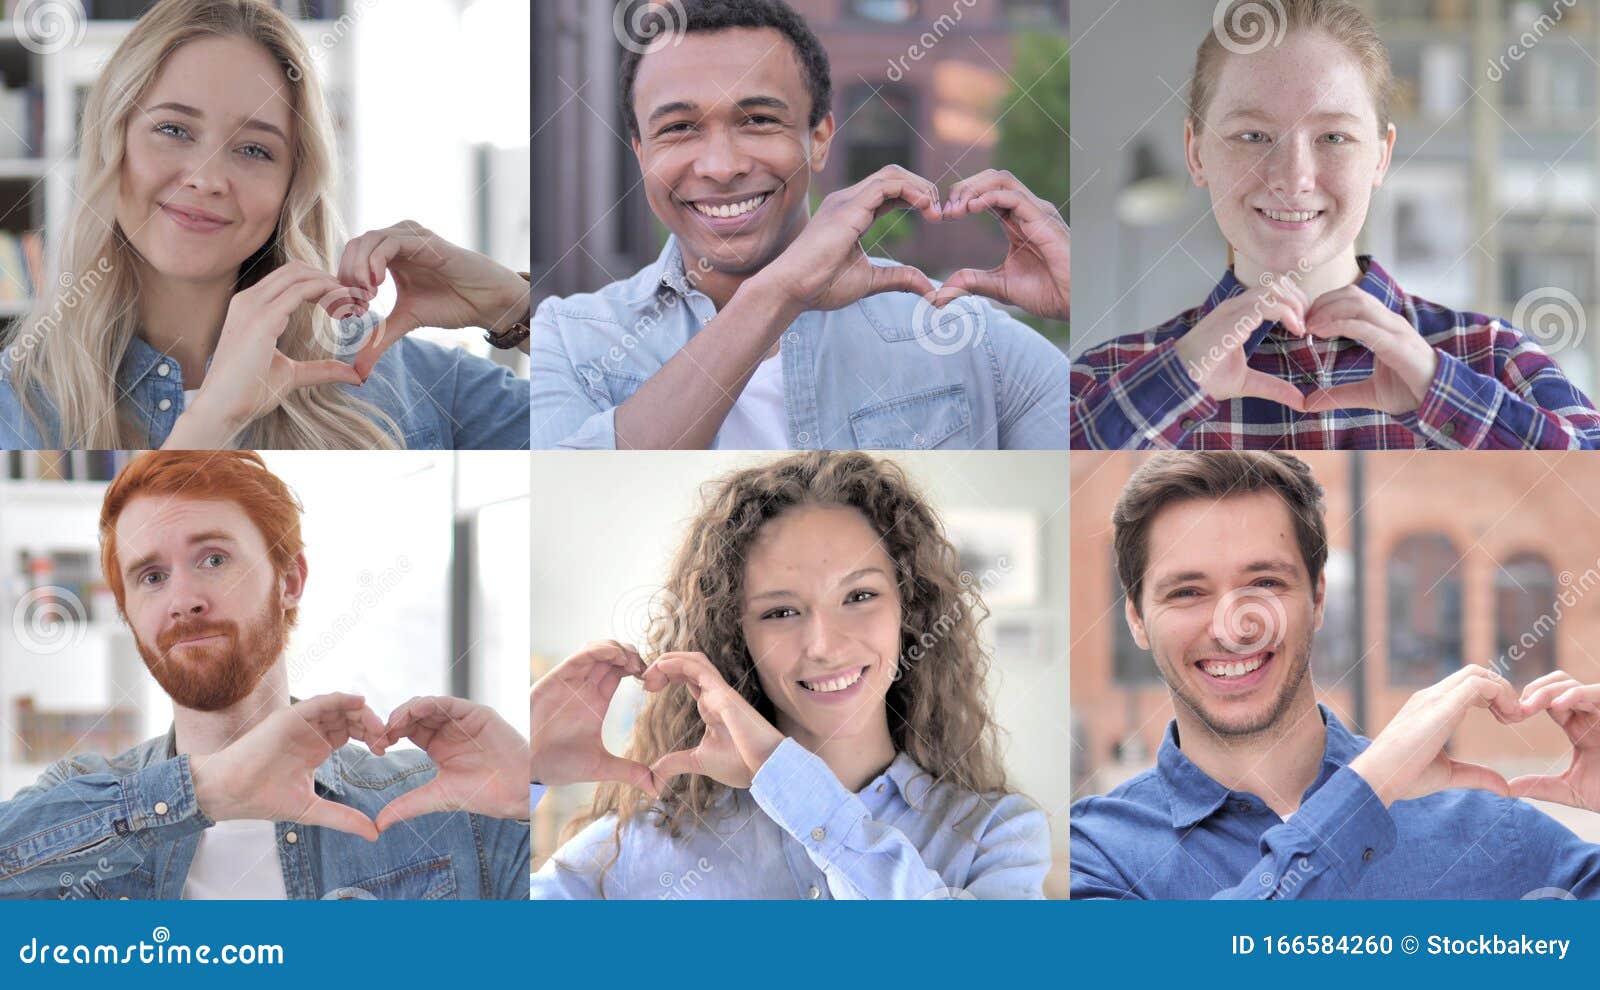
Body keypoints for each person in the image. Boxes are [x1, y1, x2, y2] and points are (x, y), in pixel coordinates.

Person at [530, 0, 1070, 450]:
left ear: (818, 139)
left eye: (759, 120)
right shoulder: (574, 337)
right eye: (678, 128)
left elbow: (1117, 453)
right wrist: (779, 293)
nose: (722, 166)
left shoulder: (965, 337)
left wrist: (1079, 298)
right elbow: (577, 496)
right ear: (641, 152)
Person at [0, 0, 532, 450]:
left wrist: (514, 305)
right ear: (110, 143)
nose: (208, 179)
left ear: (291, 187)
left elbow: (610, 433)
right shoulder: (15, 401)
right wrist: (210, 423)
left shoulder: (410, 383)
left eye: (254, 149)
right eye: (173, 129)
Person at [1070, 0, 1600, 449]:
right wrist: (1172, 384)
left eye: (1334, 138)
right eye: (1252, 136)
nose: (1293, 177)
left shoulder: (1493, 355)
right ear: (1196, 153)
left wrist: (1442, 389)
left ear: (1381, 157)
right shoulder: (1102, 375)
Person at [0, 451, 530, 899]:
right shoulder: (72, 804)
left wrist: (526, 806)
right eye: (152, 576)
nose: (183, 601)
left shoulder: (447, 802)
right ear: (127, 613)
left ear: (290, 581)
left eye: (213, 560)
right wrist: (203, 790)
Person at [1070, 451, 1600, 898]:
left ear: (1318, 598)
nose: (1234, 628)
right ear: (1137, 618)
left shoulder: (1488, 829)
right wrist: (1365, 794)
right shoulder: (1096, 854)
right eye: (1187, 592)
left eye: (1266, 582)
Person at [527, 451, 1049, 898]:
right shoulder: (652, 839)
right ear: (736, 636)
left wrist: (787, 780)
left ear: (908, 610)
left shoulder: (997, 835)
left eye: (860, 596)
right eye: (780, 612)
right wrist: (521, 777)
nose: (823, 646)